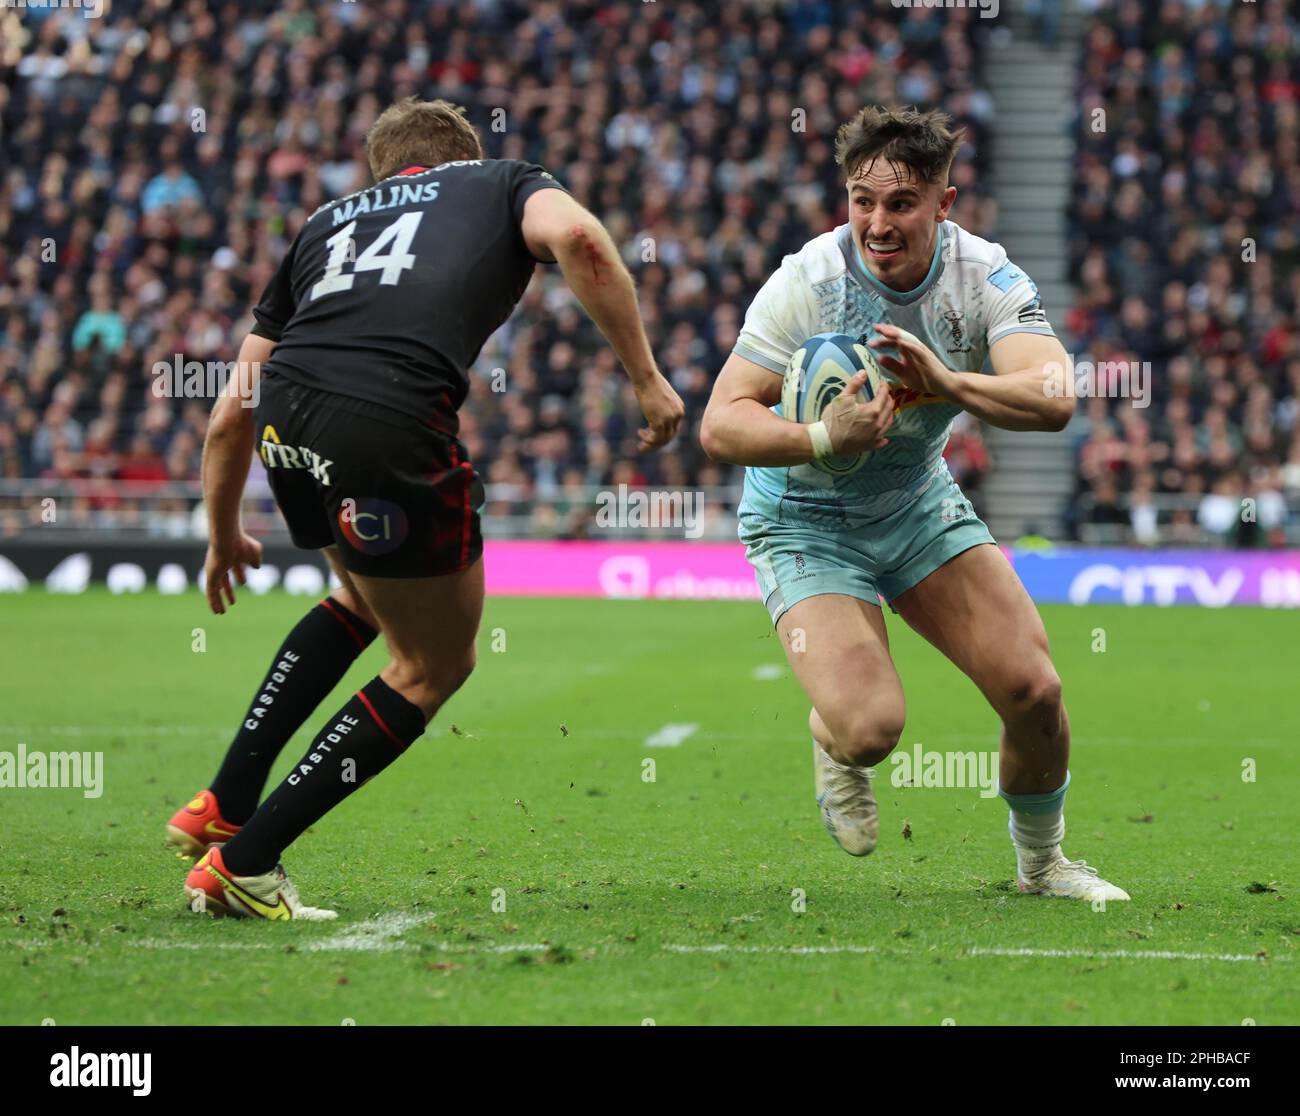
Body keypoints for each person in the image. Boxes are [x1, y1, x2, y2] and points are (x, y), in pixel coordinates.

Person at [171, 97, 684, 919]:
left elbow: (234, 406)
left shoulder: (325, 223)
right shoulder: (501, 182)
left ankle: (227, 799)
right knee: (434, 667)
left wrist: (224, 531)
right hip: (387, 420)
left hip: (285, 420)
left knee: (360, 598)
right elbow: (582, 239)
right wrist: (647, 377)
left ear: (386, 170)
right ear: (463, 155)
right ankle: (246, 859)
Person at [701, 106, 1127, 902]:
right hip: (803, 518)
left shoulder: (986, 276)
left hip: (913, 501)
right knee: (871, 730)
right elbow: (720, 424)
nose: (878, 222)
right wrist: (827, 437)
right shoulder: (808, 281)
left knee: (1034, 692)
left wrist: (948, 383)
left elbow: (1055, 395)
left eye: (901, 203)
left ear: (945, 202)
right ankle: (833, 741)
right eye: (863, 201)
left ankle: (1043, 868)